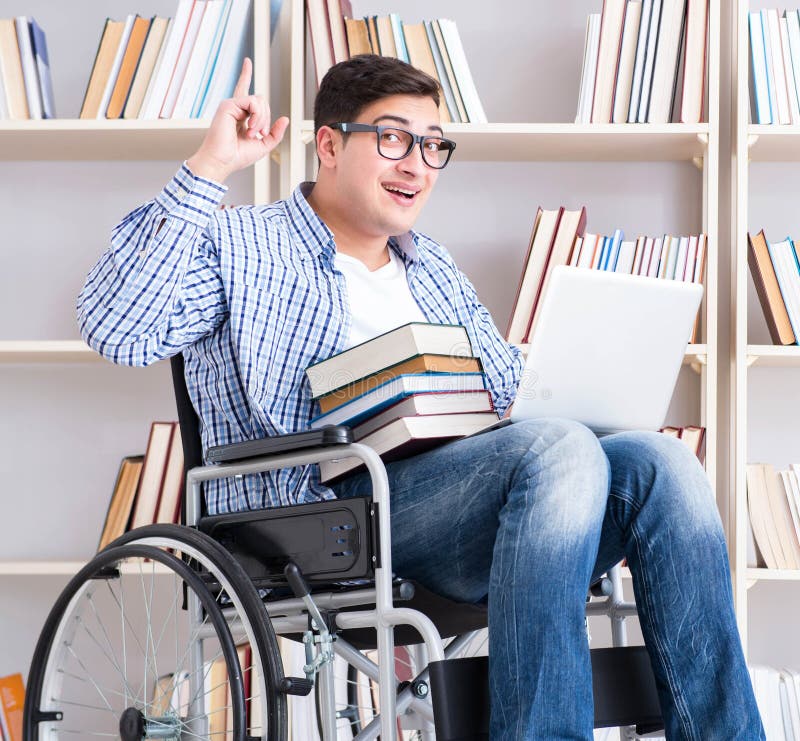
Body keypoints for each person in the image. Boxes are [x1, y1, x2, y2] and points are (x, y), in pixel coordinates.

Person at [78, 54, 763, 739]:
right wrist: (209, 168)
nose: (417, 164)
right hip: (319, 513)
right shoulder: (240, 245)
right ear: (329, 144)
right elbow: (118, 330)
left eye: (433, 145)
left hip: (469, 501)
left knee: (661, 464)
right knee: (559, 451)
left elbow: (508, 393)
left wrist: (567, 384)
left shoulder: (431, 264)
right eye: (394, 138)